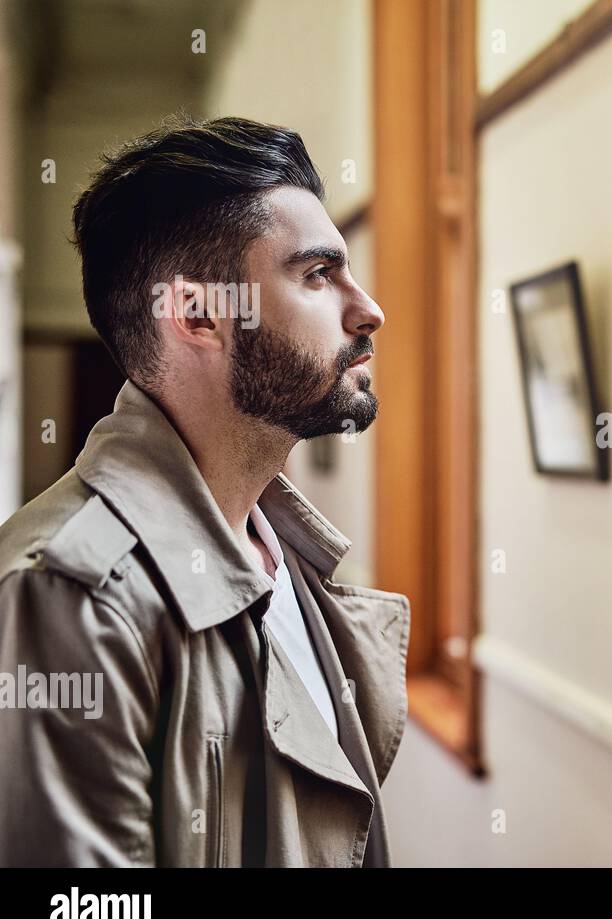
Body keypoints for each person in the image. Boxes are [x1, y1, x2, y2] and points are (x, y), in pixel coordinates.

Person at [0, 116, 408, 866]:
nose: (367, 307)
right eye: (319, 274)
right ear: (197, 315)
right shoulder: (72, 593)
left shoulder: (286, 549)